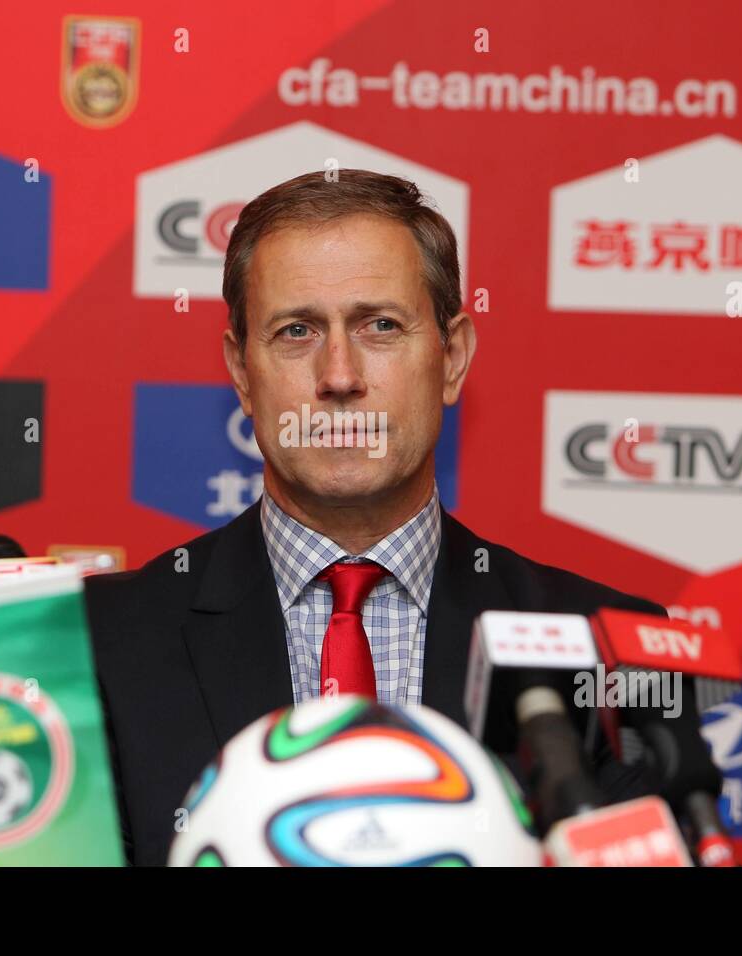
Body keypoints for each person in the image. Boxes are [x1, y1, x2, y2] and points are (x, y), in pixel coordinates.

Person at [84, 169, 665, 865]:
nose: (338, 375)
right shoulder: (97, 649)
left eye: (380, 326)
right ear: (241, 370)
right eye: (297, 331)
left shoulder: (599, 647)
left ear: (451, 357)